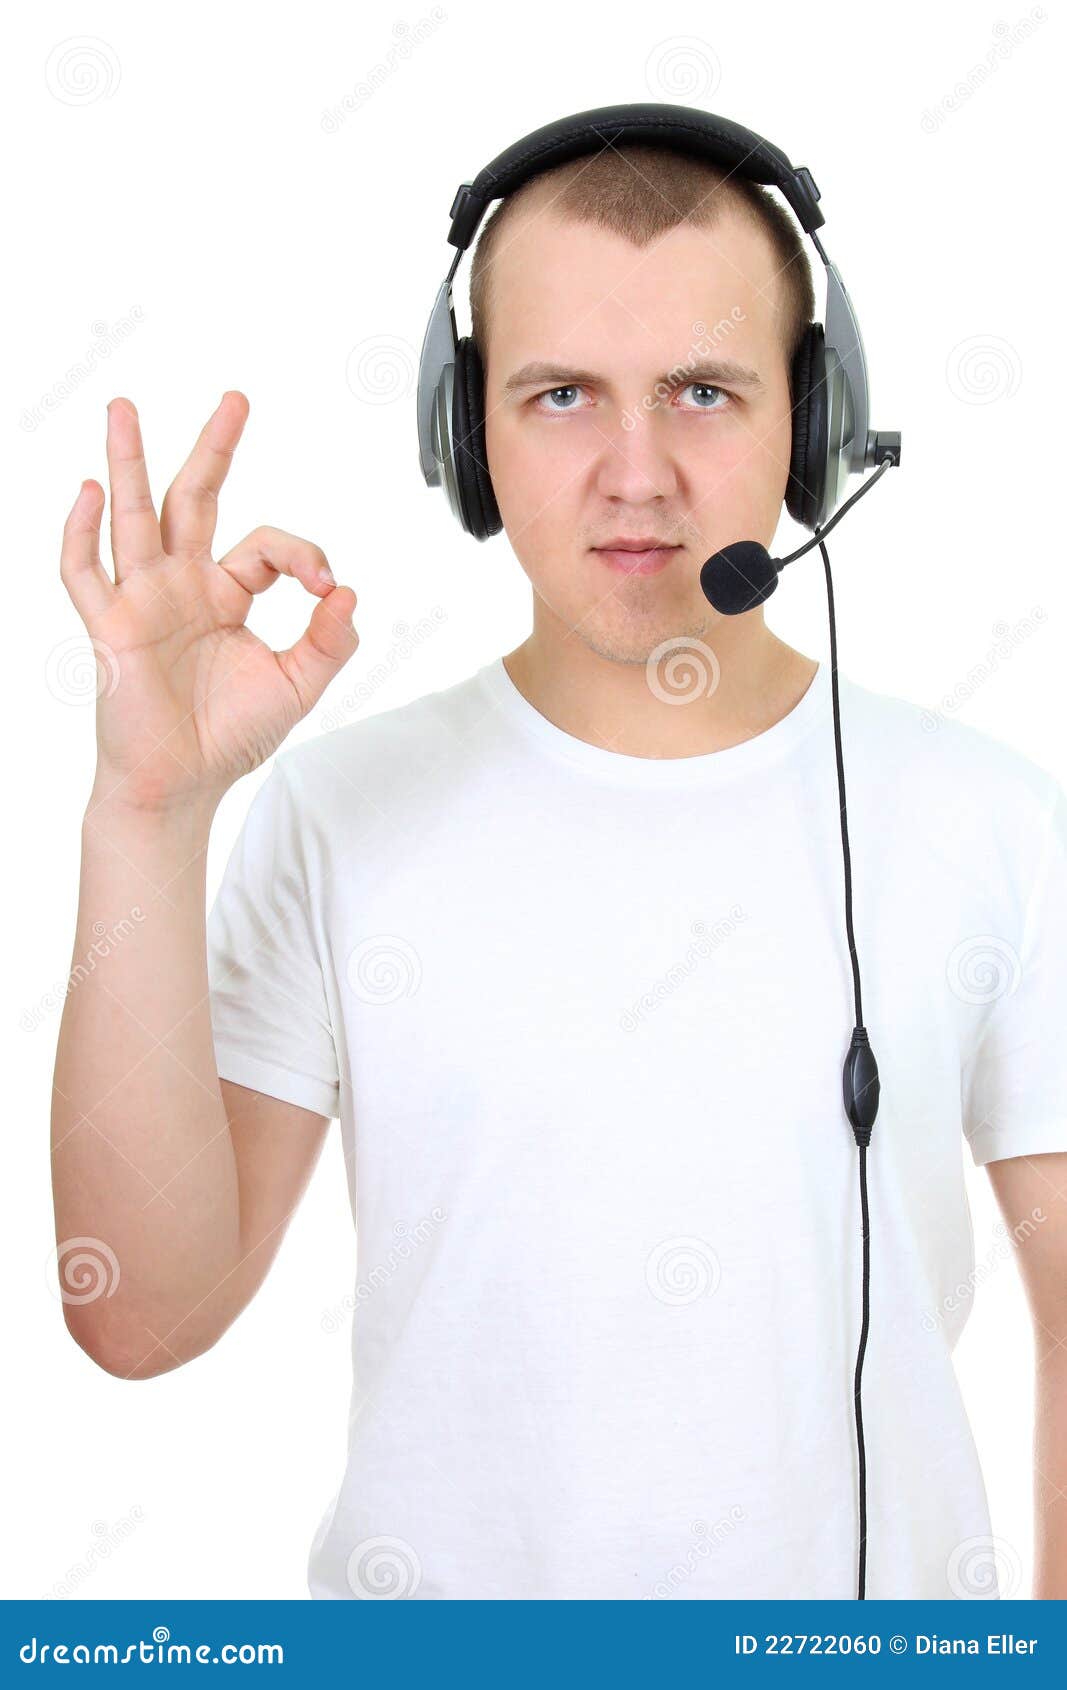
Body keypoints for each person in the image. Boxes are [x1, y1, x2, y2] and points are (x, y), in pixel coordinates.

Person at [52, 137, 1067, 1602]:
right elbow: (138, 1317)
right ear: (465, 434)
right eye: (562, 394)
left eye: (704, 392)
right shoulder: (340, 812)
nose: (636, 475)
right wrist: (144, 813)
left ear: (815, 421)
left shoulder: (994, 822)